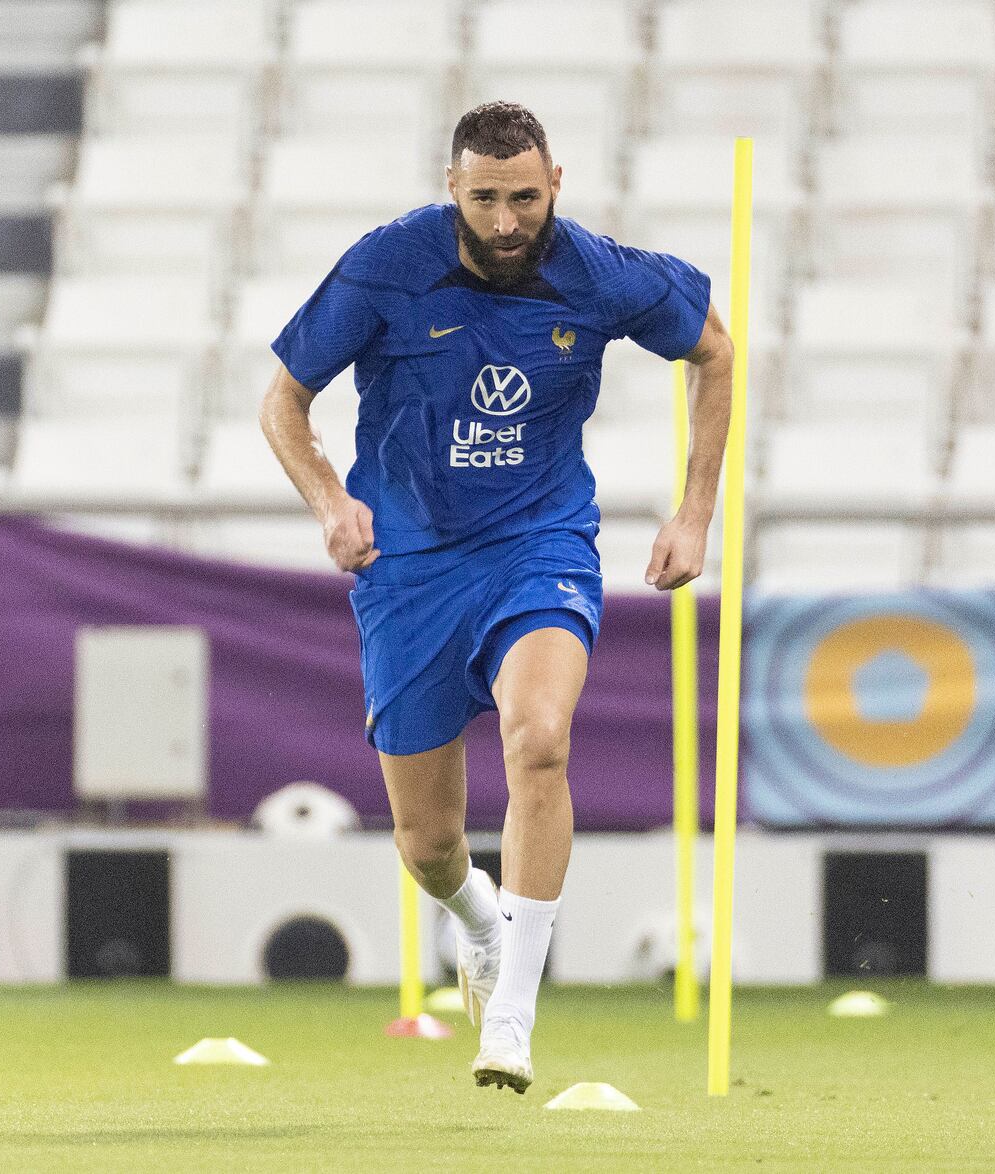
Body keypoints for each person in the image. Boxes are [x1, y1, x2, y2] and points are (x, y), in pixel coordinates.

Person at [260, 102, 733, 1093]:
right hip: (408, 565)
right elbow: (283, 399)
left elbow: (715, 349)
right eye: (485, 199)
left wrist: (696, 512)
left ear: (555, 182)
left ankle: (511, 1015)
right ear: (452, 189)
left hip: (537, 544)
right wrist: (332, 502)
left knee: (540, 738)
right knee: (429, 844)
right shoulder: (387, 265)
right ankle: (476, 919)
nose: (508, 221)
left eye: (524, 197)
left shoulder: (600, 274)